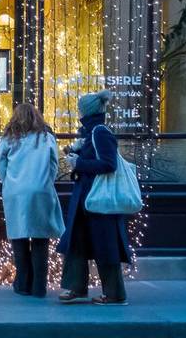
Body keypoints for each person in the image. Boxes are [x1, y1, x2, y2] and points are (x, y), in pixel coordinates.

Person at [57, 90, 132, 305]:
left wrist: (78, 164)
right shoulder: (90, 132)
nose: (78, 111)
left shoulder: (100, 132)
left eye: (80, 108)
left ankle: (115, 294)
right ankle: (76, 288)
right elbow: (95, 158)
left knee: (105, 245)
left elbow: (109, 164)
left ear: (86, 110)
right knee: (78, 242)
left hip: (99, 200)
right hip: (86, 199)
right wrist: (74, 152)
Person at [0, 103, 65, 298]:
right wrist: (45, 182)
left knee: (18, 236)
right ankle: (39, 287)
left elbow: (1, 167)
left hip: (15, 192)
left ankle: (22, 283)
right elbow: (54, 165)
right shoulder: (46, 137)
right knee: (40, 238)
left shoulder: (8, 138)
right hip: (41, 190)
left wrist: (9, 183)